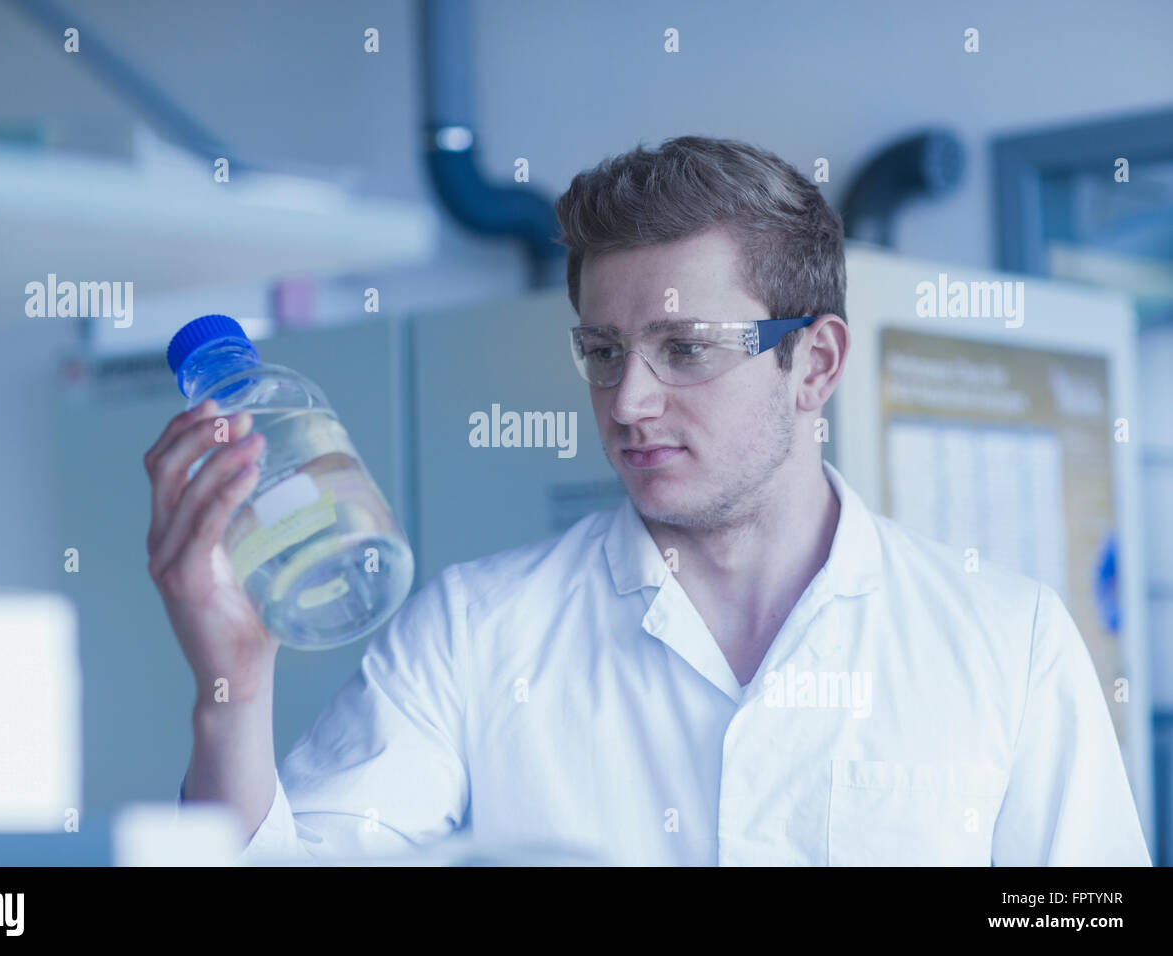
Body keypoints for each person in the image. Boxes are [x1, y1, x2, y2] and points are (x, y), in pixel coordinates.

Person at [145, 135, 1150, 865]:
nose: (627, 400)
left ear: (814, 361)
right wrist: (229, 683)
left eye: (685, 349)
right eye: (602, 351)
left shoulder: (1004, 641)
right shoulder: (475, 631)